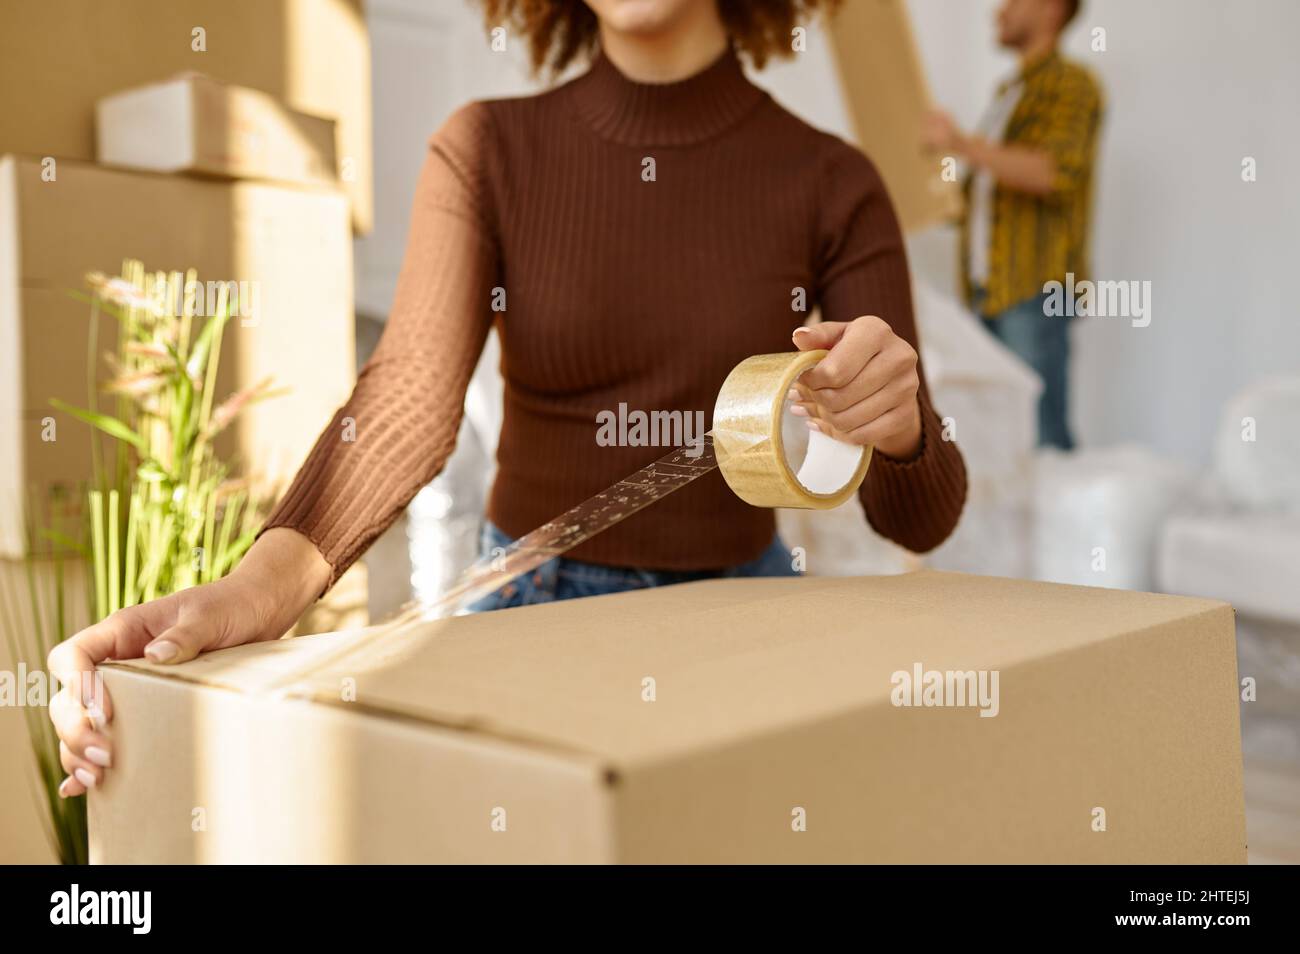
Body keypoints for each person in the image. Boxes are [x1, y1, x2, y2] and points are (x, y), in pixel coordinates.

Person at [48, 0, 967, 798]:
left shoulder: (831, 181)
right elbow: (408, 394)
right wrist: (253, 594)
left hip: (744, 623)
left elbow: (920, 519)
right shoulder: (487, 149)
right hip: (532, 612)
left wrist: (898, 426)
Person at [922, 0, 1101, 449]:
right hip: (989, 289)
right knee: (999, 435)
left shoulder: (1071, 84)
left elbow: (1051, 172)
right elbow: (990, 193)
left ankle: (1057, 518)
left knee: (1040, 438)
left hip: (1035, 288)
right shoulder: (1009, 93)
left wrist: (961, 144)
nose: (997, 11)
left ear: (1051, 9)